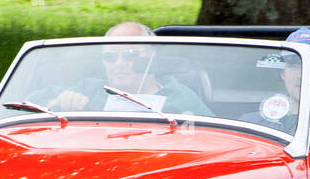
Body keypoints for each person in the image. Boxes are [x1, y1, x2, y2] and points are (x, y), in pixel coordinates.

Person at [42, 21, 213, 117]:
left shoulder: (178, 97)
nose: (119, 63)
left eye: (130, 55)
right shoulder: (89, 88)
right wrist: (58, 102)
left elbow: (215, 137)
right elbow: (27, 108)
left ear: (151, 56)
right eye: (110, 57)